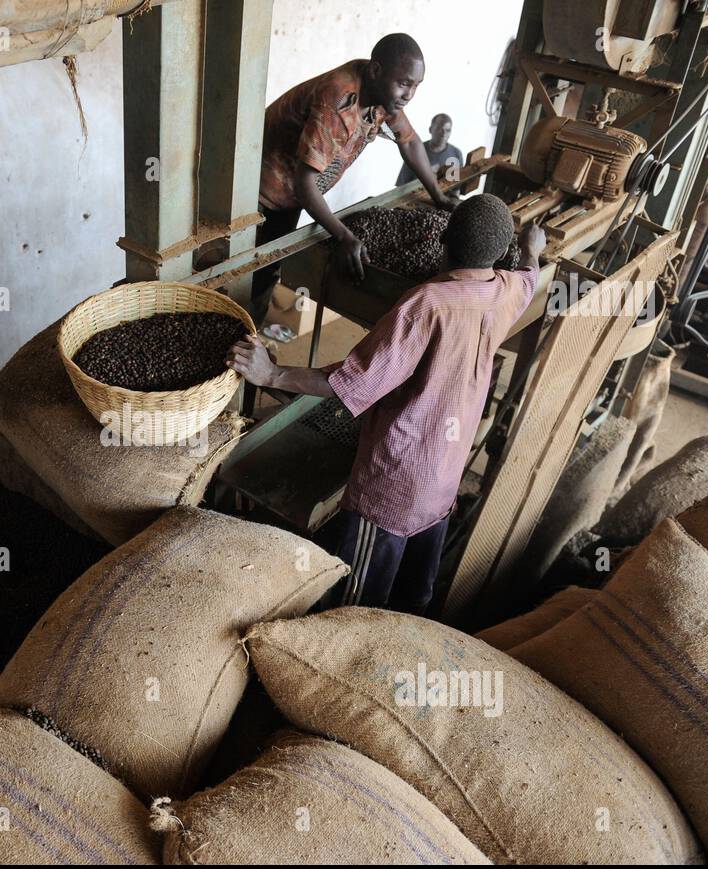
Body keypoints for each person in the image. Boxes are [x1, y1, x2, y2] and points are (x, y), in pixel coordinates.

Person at [229, 194, 544, 613]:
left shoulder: (425, 303)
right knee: (414, 597)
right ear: (501, 254)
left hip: (392, 493)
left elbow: (351, 382)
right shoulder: (506, 290)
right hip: (442, 481)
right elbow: (529, 277)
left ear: (443, 240)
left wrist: (271, 374)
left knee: (354, 604)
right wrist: (533, 249)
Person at [252, 33, 460, 320]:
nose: (409, 95)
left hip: (289, 193)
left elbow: (410, 142)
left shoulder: (383, 93)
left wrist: (438, 196)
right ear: (376, 71)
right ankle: (236, 347)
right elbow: (305, 184)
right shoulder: (337, 103)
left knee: (267, 268)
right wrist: (344, 236)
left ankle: (249, 342)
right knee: (249, 272)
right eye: (404, 84)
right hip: (258, 190)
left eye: (416, 86)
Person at [396, 113, 463, 186]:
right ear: (430, 130)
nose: (444, 134)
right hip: (417, 195)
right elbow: (401, 185)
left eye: (448, 130)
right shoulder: (415, 151)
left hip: (445, 196)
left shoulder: (456, 154)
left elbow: (457, 187)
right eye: (440, 129)